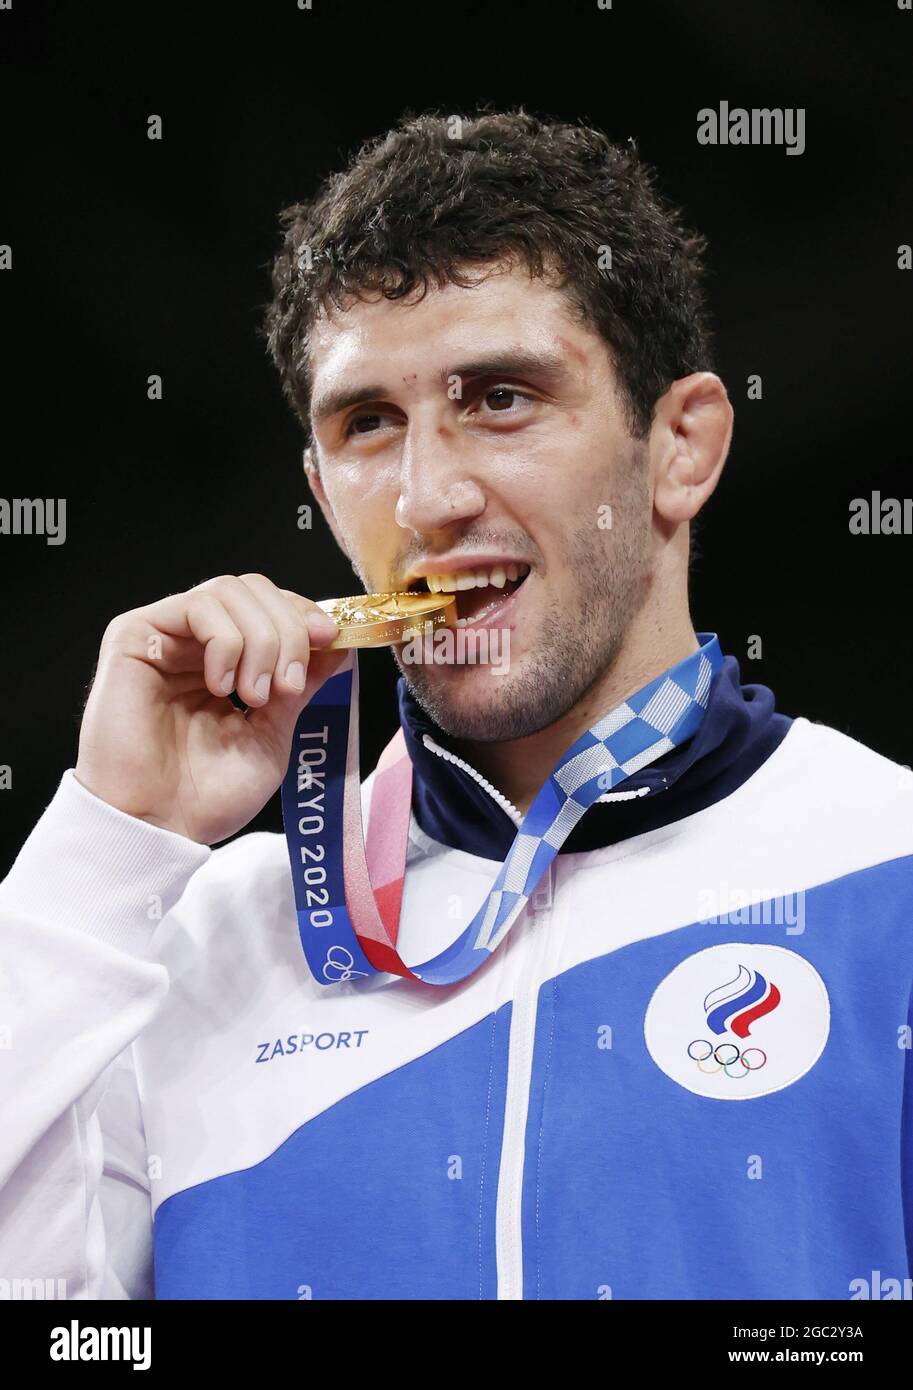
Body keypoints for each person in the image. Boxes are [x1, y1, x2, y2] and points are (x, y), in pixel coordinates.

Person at [1, 110, 911, 1302]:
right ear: (321, 489)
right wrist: (109, 844)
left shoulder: (887, 863)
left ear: (679, 447)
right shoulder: (176, 947)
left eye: (499, 398)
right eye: (368, 423)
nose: (426, 497)